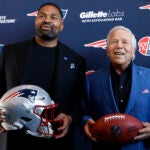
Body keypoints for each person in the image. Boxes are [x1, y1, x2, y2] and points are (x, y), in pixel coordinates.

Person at [0, 2, 86, 150]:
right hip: (14, 137)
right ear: (36, 21)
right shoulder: (10, 53)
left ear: (61, 25)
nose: (47, 20)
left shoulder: (76, 60)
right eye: (42, 16)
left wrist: (71, 118)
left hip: (55, 138)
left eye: (54, 17)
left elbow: (79, 100)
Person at [81, 25, 150, 150]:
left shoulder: (149, 77)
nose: (119, 46)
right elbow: (83, 112)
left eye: (125, 42)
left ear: (133, 50)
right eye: (114, 42)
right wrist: (86, 122)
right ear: (107, 49)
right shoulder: (91, 80)